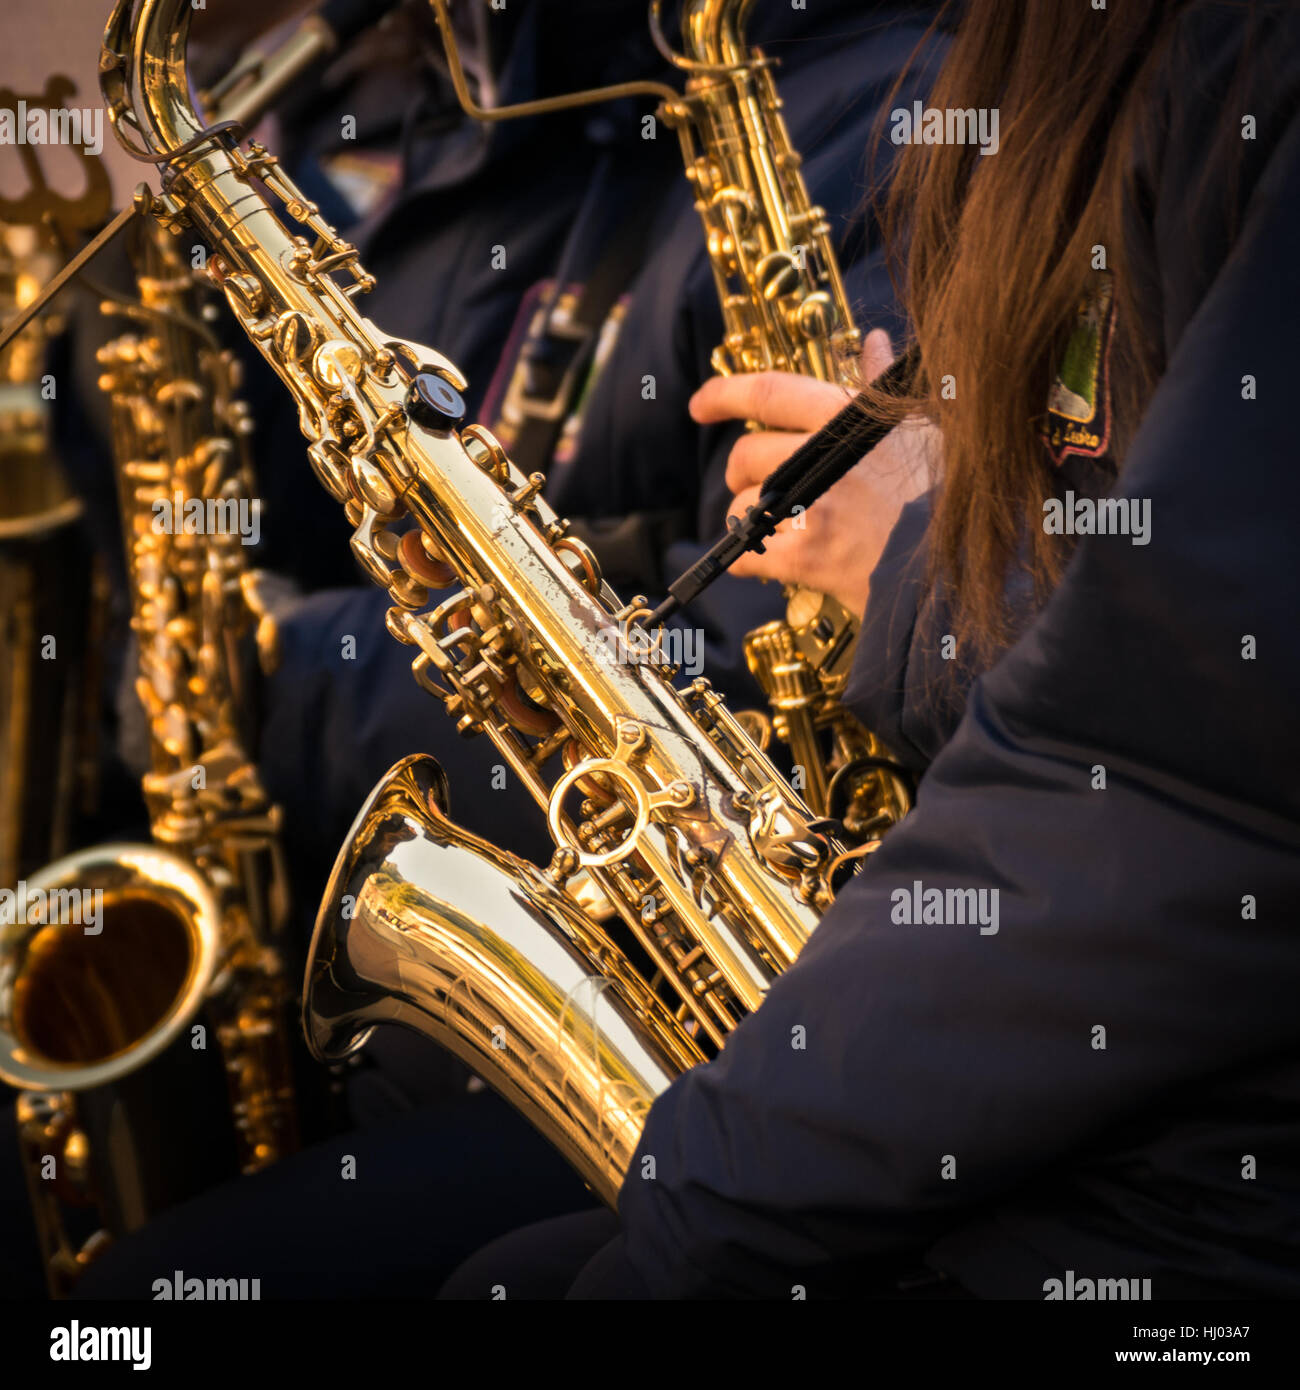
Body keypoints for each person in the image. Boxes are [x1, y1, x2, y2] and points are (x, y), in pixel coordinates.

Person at [68, 0, 948, 1297]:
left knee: (144, 1296)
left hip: (738, 996)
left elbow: (780, 685)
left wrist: (284, 683)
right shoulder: (529, 107)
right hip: (592, 939)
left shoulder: (856, 132)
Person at [438, 0, 1300, 1298]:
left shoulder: (1211, 68)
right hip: (1080, 1049)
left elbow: (1175, 745)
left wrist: (914, 558)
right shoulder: (1057, 77)